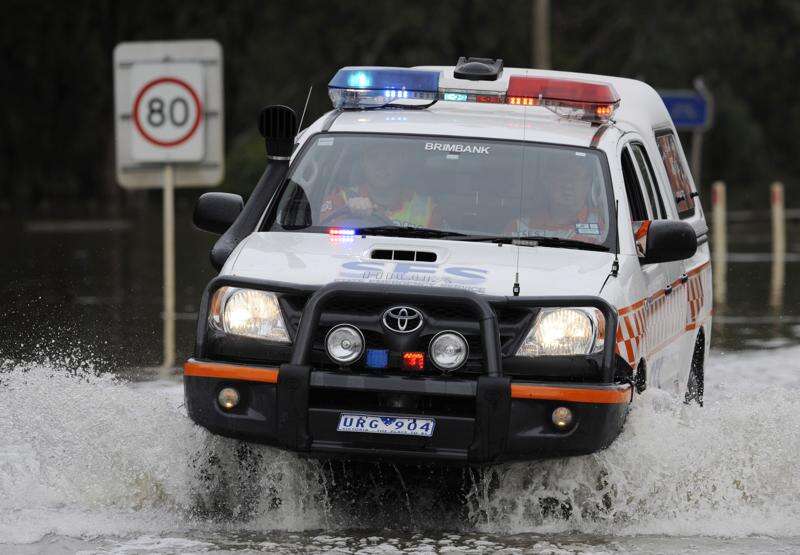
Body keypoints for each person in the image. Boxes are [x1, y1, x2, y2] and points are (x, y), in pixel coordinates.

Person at [319, 144, 441, 228]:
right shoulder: (340, 200)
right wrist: (349, 216)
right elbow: (322, 243)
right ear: (363, 163)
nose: (381, 165)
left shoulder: (428, 209)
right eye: (373, 157)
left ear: (403, 161)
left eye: (390, 156)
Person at [508, 153, 606, 241]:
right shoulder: (520, 227)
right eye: (562, 176)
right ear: (546, 180)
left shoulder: (606, 226)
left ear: (589, 183)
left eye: (576, 176)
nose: (568, 184)